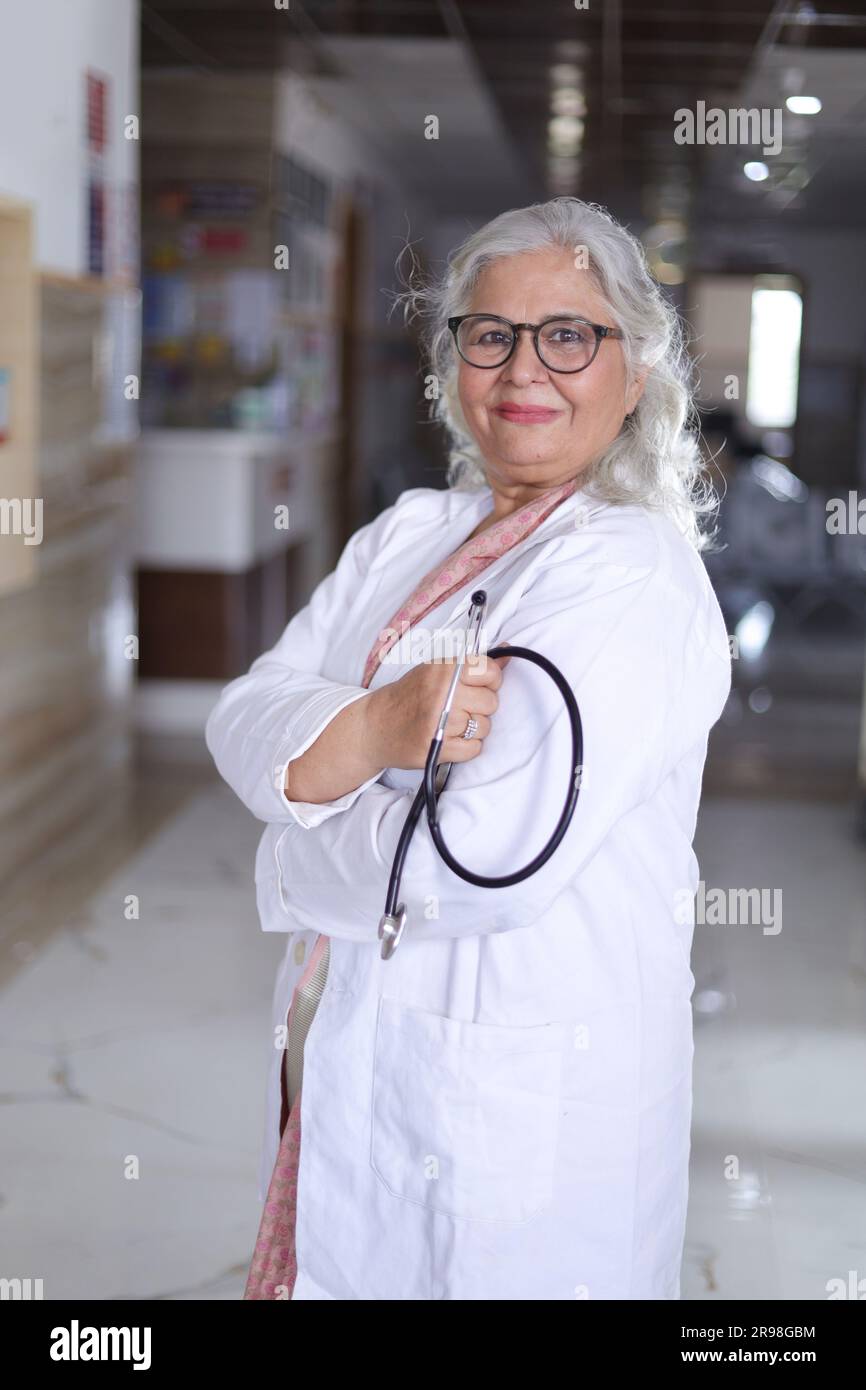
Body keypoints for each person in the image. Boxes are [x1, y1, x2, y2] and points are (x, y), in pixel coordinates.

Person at [205, 196, 732, 1301]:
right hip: (349, 1047)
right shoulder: (409, 532)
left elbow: (479, 859)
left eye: (568, 336)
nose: (522, 370)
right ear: (452, 362)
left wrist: (300, 815)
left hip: (514, 1110)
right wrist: (377, 731)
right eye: (488, 334)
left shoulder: (625, 575)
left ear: (632, 373)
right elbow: (242, 713)